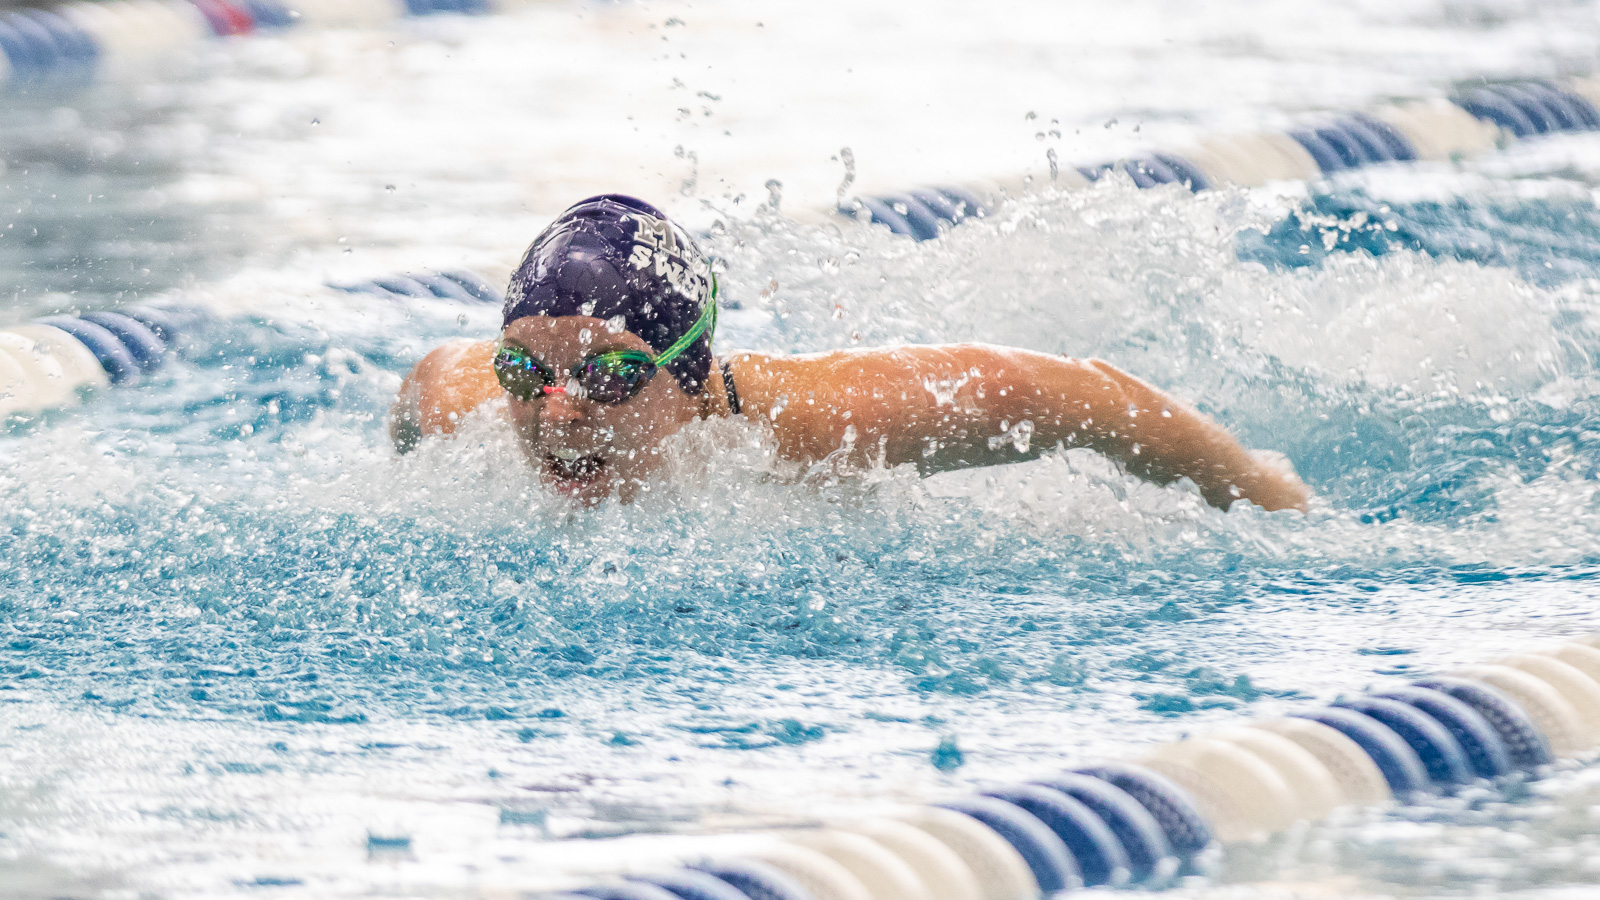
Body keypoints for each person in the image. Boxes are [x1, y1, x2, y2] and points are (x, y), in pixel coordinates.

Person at [390, 194, 1310, 511]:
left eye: (610, 372)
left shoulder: (814, 424)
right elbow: (423, 385)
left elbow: (1088, 396)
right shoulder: (460, 400)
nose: (556, 410)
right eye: (525, 369)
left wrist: (1277, 505)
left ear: (691, 373)